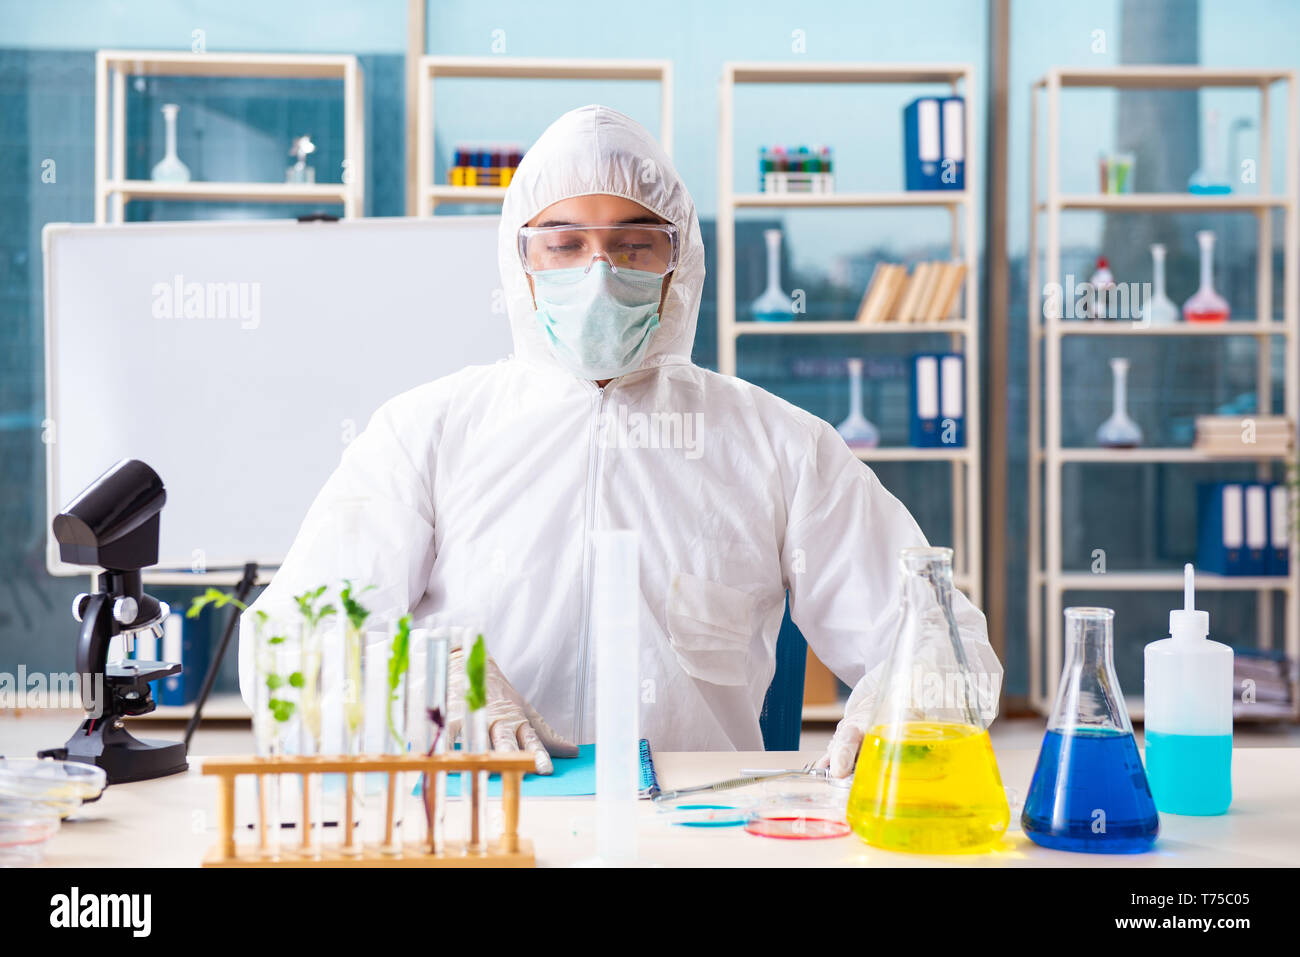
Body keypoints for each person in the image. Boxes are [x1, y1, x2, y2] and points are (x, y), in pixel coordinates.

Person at [240, 104, 1002, 776]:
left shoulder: (780, 446)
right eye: (564, 245)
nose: (599, 274)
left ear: (681, 261)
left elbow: (939, 631)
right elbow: (286, 646)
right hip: (481, 822)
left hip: (693, 837)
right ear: (522, 261)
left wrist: (904, 698)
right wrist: (419, 685)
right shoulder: (427, 432)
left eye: (635, 245)